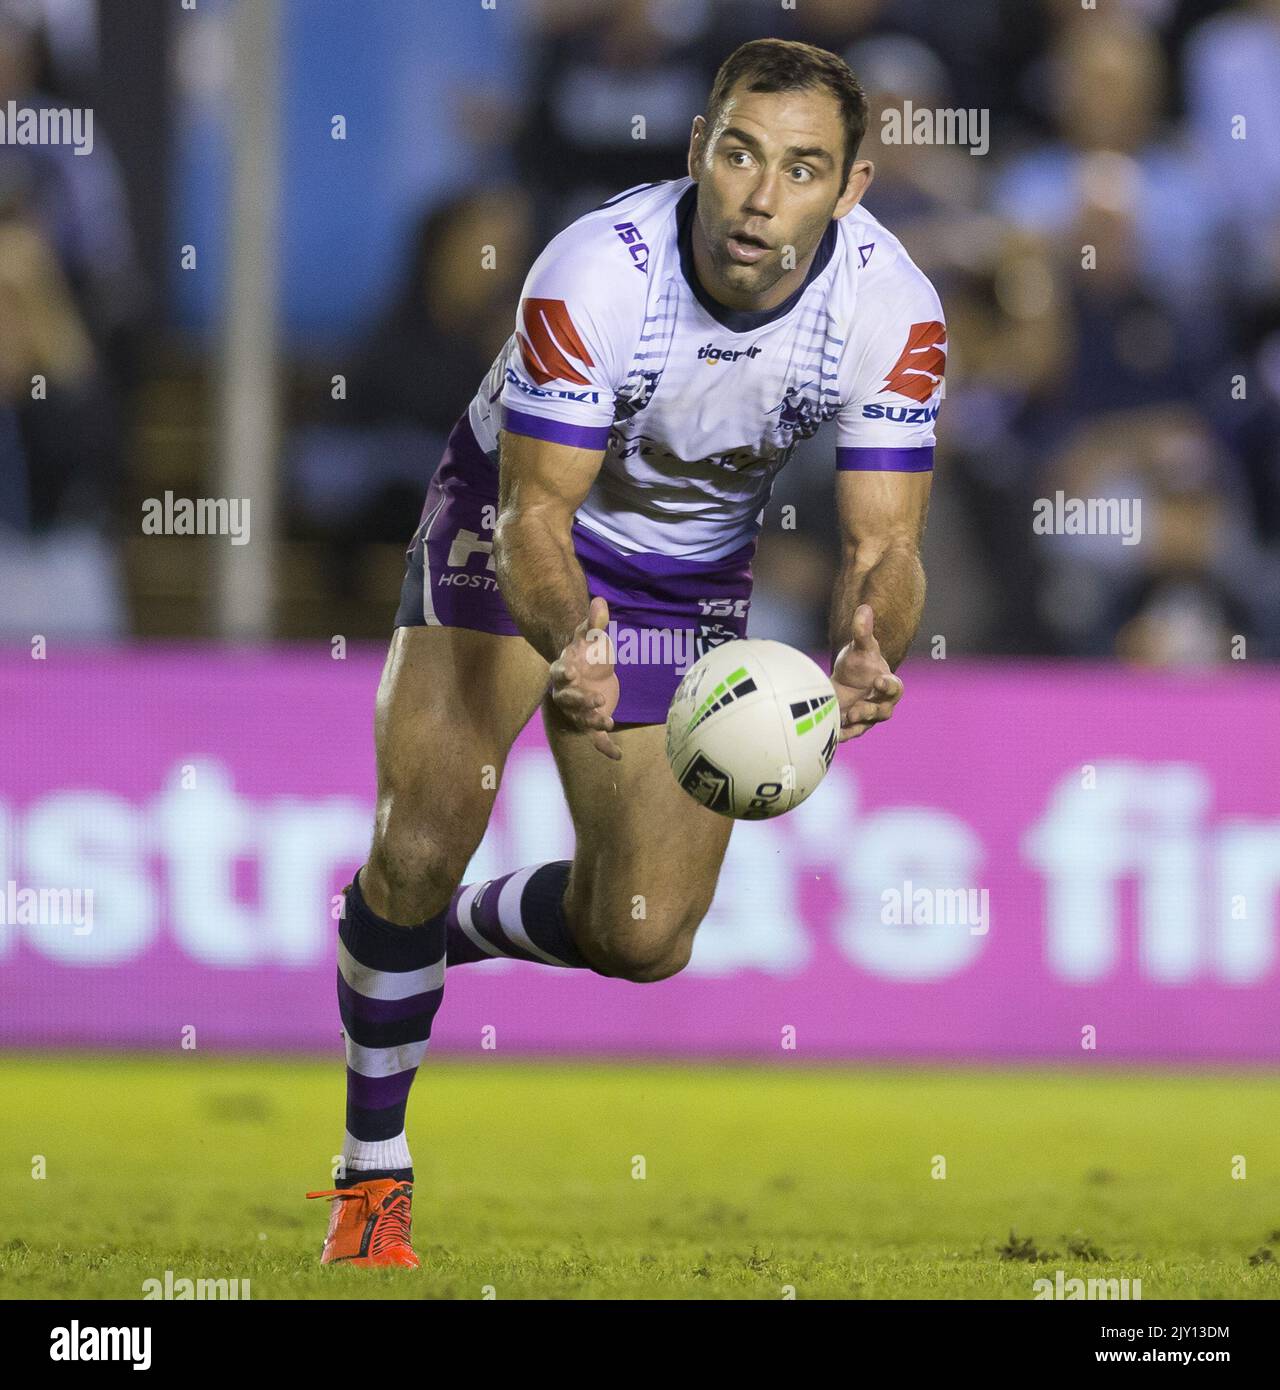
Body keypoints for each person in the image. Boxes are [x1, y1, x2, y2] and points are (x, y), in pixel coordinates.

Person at [307, 38, 945, 1267]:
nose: (762, 199)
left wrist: (871, 639)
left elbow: (885, 542)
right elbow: (539, 513)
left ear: (850, 186)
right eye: (741, 155)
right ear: (698, 148)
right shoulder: (597, 272)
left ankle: (439, 929)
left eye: (802, 170)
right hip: (516, 531)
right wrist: (573, 639)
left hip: (692, 574)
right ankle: (370, 1179)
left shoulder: (893, 304)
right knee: (423, 830)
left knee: (641, 935)